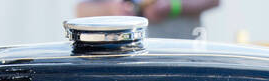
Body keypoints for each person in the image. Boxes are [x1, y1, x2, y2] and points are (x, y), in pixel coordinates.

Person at [74, 0, 220, 41]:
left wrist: (173, 6)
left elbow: (213, 1)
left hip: (180, 55)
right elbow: (82, 9)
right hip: (121, 60)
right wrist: (113, 8)